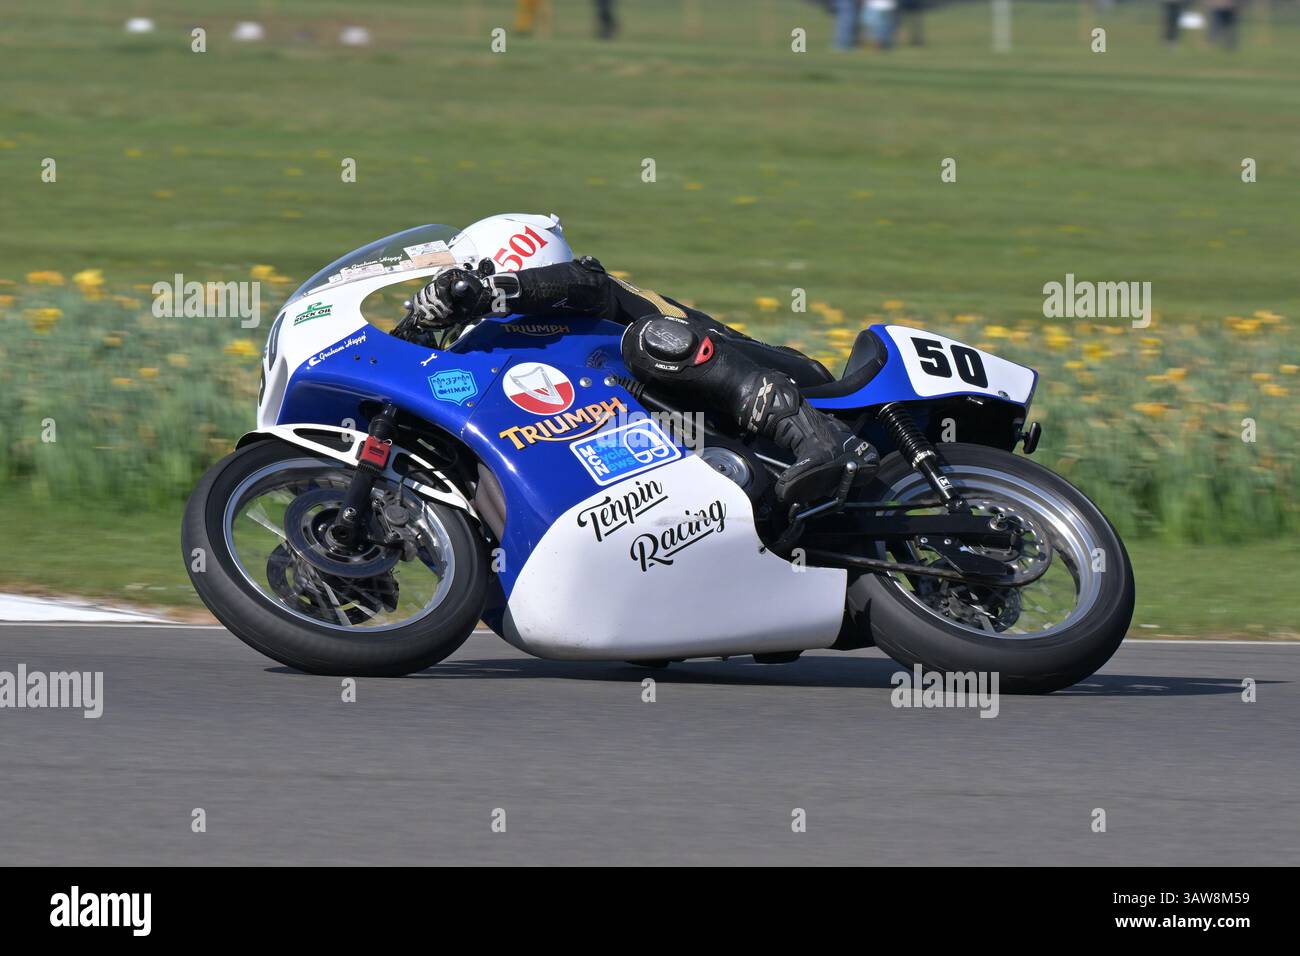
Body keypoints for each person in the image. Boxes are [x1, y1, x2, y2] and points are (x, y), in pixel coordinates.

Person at [409, 214, 878, 504]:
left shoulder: (584, 291)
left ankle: (820, 439)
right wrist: (419, 325)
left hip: (787, 383)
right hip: (712, 443)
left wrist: (487, 293)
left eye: (464, 279)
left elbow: (583, 282)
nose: (459, 293)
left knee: (651, 340)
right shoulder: (529, 353)